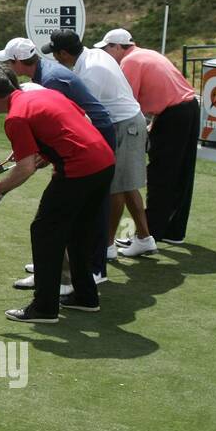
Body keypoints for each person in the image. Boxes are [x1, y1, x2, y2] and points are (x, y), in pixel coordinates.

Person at [0, 64, 116, 324]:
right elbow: (81, 122)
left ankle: (44, 308)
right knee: (78, 231)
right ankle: (86, 297)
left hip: (79, 169)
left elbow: (25, 168)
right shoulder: (44, 93)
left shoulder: (15, 117)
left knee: (44, 230)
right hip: (104, 162)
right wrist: (51, 155)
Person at [0, 36, 115, 291]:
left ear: (18, 62)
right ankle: (63, 271)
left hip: (90, 142)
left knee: (66, 216)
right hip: (88, 143)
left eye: (7, 62)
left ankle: (87, 272)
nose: (6, 67)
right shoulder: (40, 77)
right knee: (69, 215)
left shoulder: (49, 81)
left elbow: (58, 129)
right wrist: (27, 151)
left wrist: (0, 187)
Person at [43, 30, 155, 261]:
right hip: (126, 122)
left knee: (116, 187)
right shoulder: (92, 55)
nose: (54, 58)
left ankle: (107, 245)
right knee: (125, 184)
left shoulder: (91, 72)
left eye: (55, 53)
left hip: (125, 125)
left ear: (63, 53)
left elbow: (85, 116)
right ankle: (144, 239)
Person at [95, 29, 201, 245]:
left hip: (173, 115)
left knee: (160, 173)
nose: (106, 54)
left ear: (117, 47)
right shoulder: (148, 53)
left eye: (107, 49)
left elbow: (127, 102)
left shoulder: (129, 62)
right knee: (181, 173)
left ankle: (149, 233)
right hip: (188, 108)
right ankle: (173, 231)